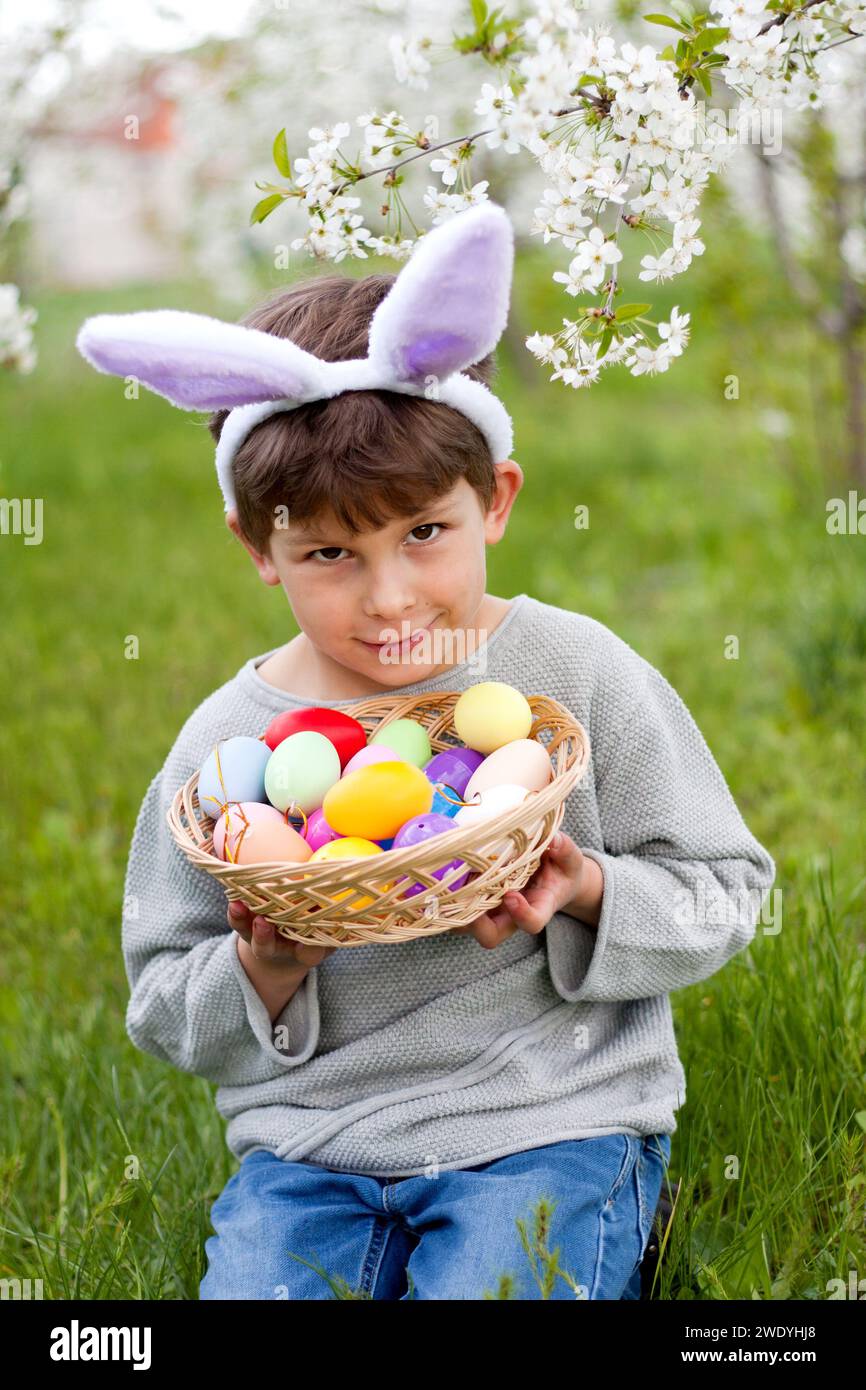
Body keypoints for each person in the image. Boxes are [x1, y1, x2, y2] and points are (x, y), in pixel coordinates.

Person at [77, 204, 775, 1300]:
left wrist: (586, 889)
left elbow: (726, 889)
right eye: (327, 551)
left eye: (423, 532)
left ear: (493, 500)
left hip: (548, 1122)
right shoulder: (226, 748)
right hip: (310, 1153)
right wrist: (263, 964)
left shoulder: (571, 671)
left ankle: (613, 1207)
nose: (389, 594)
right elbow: (160, 993)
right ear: (258, 547)